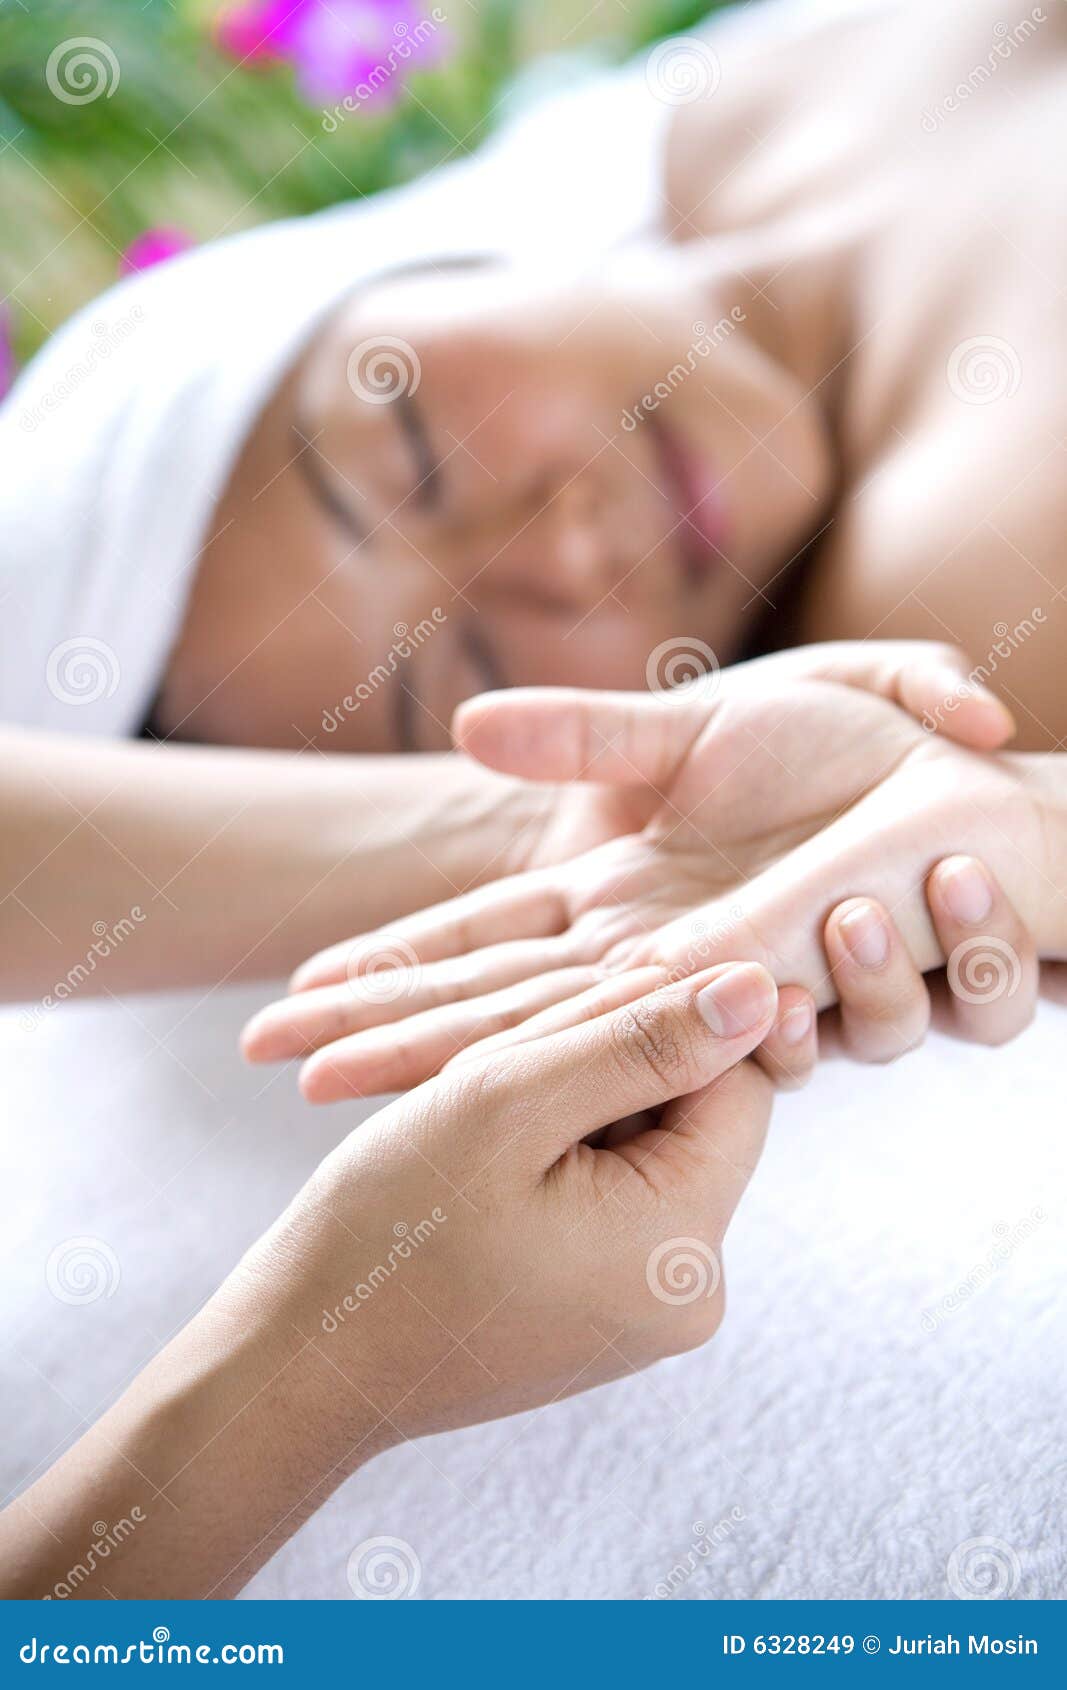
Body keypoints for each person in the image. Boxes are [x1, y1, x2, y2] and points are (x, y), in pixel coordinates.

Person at [0, 0, 1063, 1026]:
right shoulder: (968, 614)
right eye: (479, 673)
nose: (559, 548)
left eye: (419, 458)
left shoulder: (744, 105)